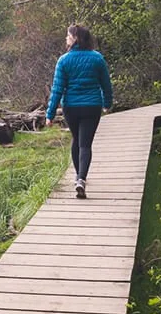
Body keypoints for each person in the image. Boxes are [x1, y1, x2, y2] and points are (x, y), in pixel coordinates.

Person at [45, 23, 113, 198]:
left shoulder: (63, 60)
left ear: (75, 38)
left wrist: (50, 114)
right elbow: (106, 84)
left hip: (71, 108)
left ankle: (78, 177)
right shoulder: (97, 58)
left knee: (77, 140)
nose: (66, 39)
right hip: (92, 106)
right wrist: (107, 103)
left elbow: (57, 89)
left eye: (68, 36)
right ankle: (81, 178)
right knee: (85, 144)